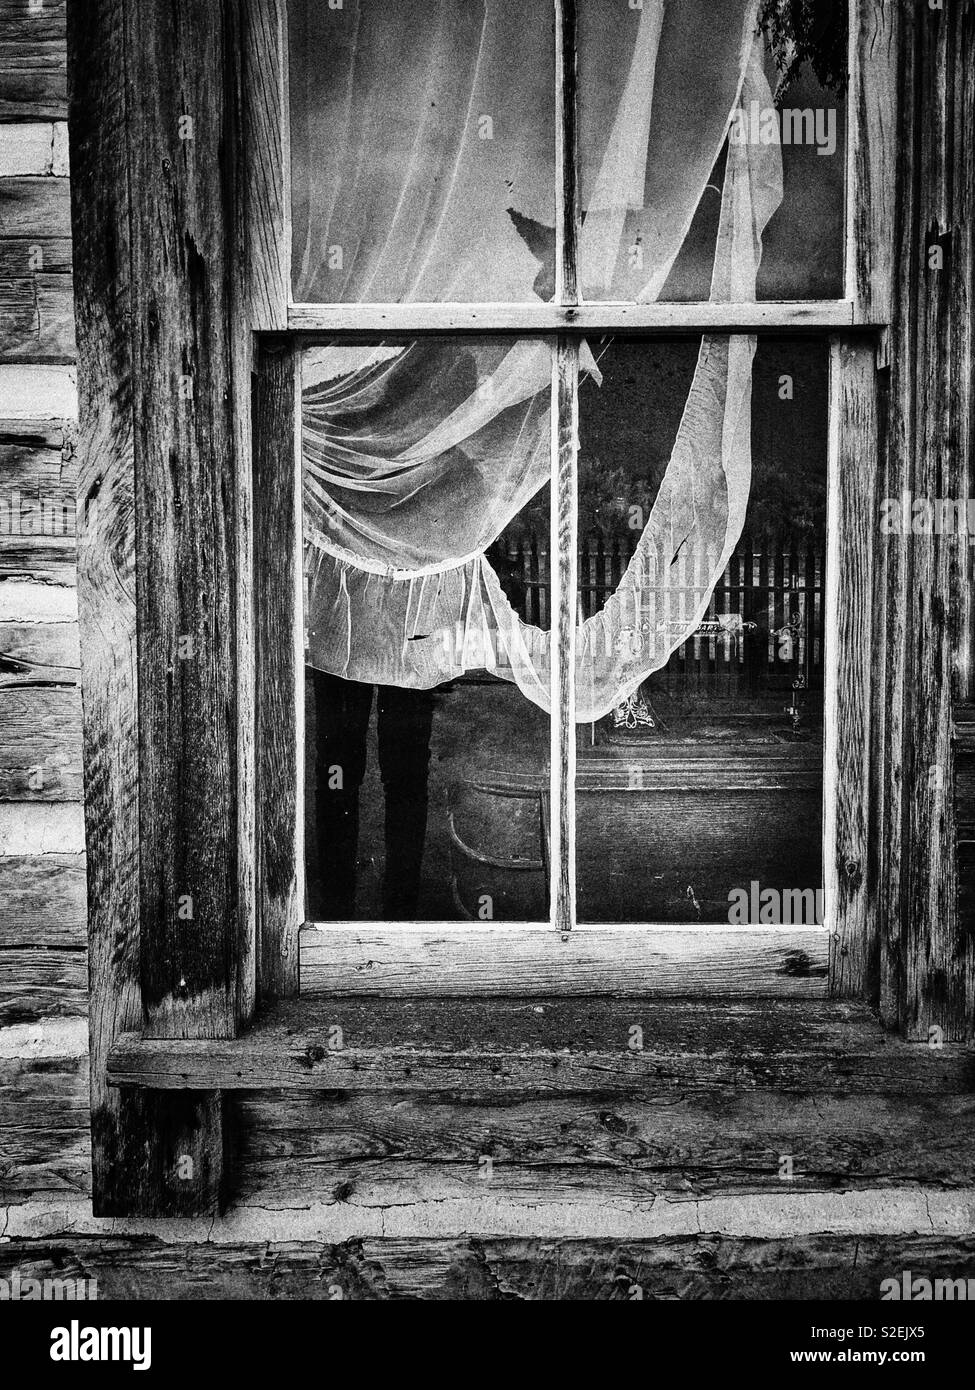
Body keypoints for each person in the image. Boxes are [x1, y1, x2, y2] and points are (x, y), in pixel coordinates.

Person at [311, 670, 434, 920]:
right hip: (344, 641)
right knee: (337, 769)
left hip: (408, 641)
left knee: (406, 772)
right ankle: (335, 911)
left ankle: (401, 914)